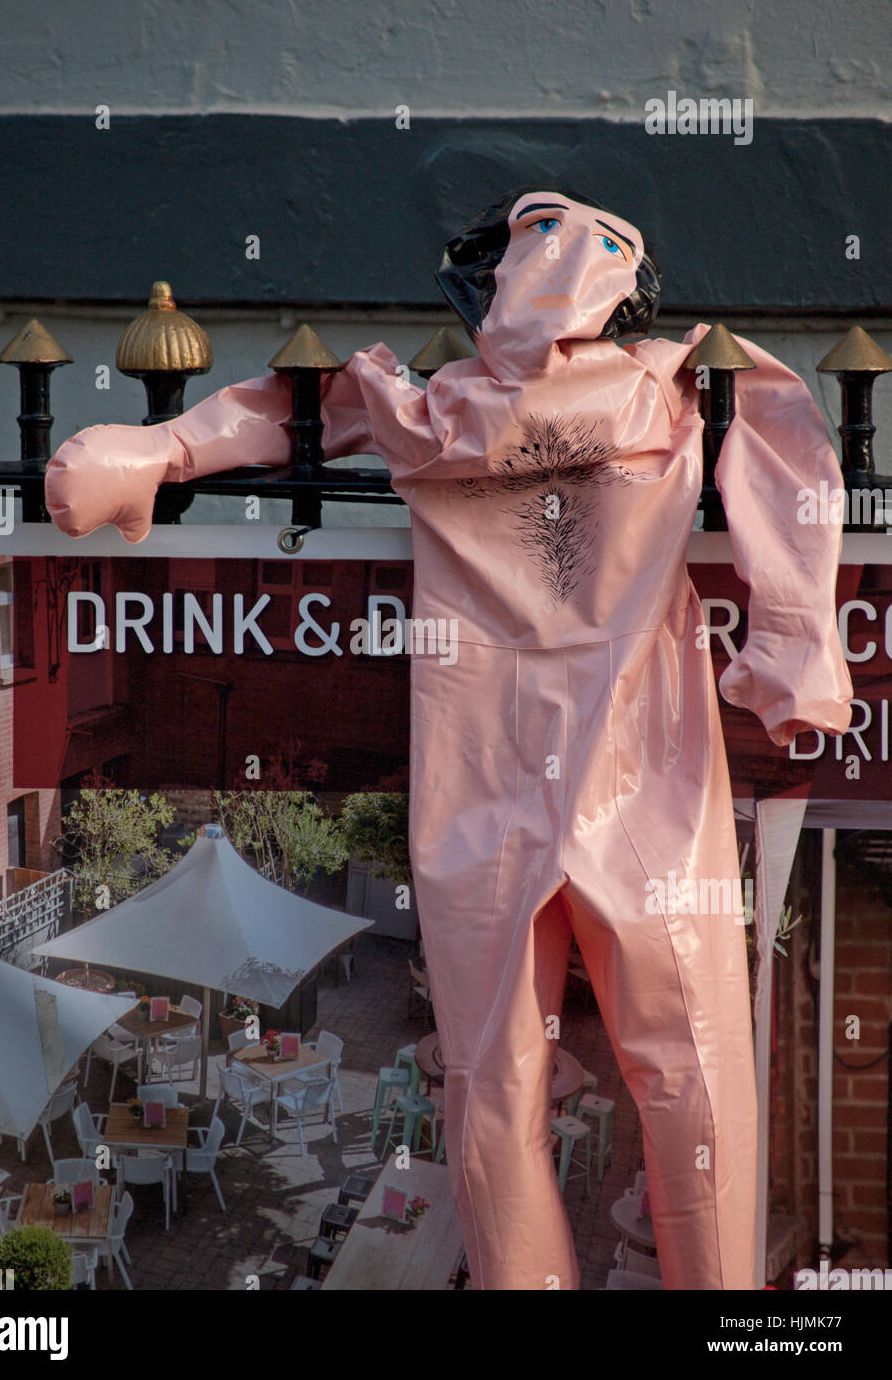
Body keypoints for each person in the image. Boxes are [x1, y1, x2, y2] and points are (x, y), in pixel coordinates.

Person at [46, 185, 852, 1289]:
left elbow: (289, 410)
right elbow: (782, 426)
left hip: (487, 781)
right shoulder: (676, 384)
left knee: (496, 1086)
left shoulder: (431, 410)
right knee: (688, 1068)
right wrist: (797, 642)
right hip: (641, 774)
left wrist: (160, 449)